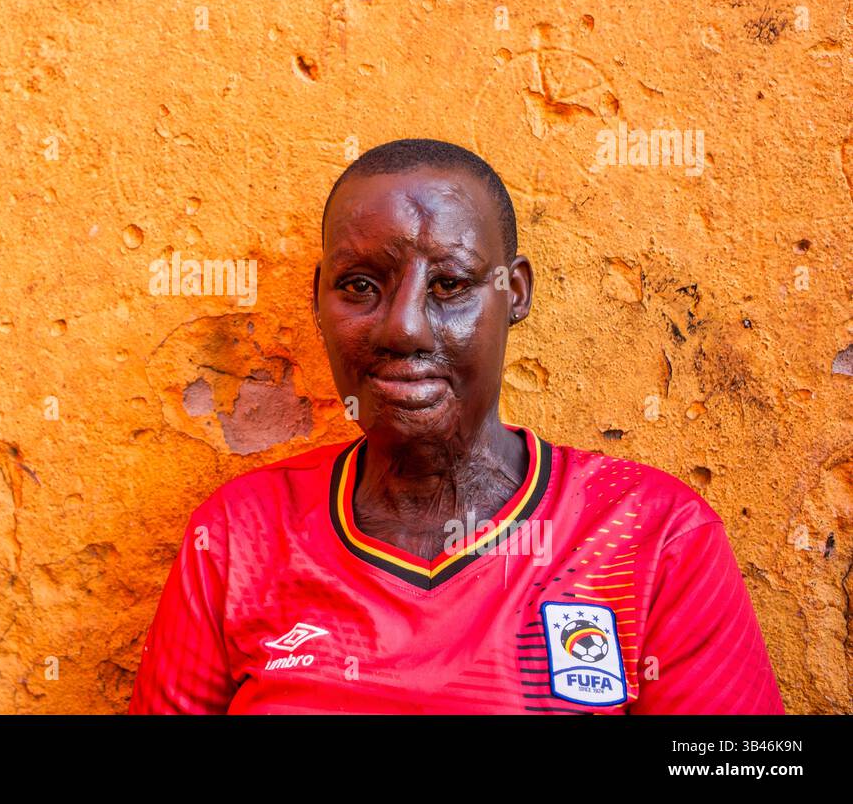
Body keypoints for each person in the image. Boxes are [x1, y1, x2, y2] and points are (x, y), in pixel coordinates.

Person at [128, 139, 784, 714]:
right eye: (360, 286)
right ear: (318, 298)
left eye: (449, 284)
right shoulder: (238, 539)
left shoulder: (654, 537)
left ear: (515, 293)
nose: (404, 327)